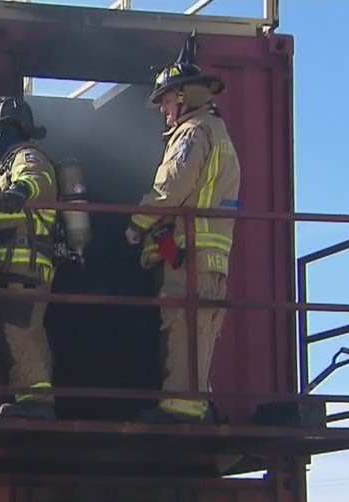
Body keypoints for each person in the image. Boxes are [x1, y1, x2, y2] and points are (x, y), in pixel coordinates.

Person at [125, 33, 242, 423]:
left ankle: (182, 409)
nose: (163, 111)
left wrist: (137, 225)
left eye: (167, 101)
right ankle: (195, 404)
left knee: (183, 325)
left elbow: (171, 188)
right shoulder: (217, 132)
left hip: (192, 254)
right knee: (199, 330)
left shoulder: (192, 134)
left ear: (186, 97)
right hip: (209, 255)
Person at [0, 96, 59, 420]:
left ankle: (36, 403)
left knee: (18, 330)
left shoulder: (26, 157)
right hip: (9, 266)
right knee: (23, 331)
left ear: (3, 132)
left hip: (25, 264)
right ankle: (35, 398)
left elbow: (38, 180)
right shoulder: (2, 168)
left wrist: (20, 191)